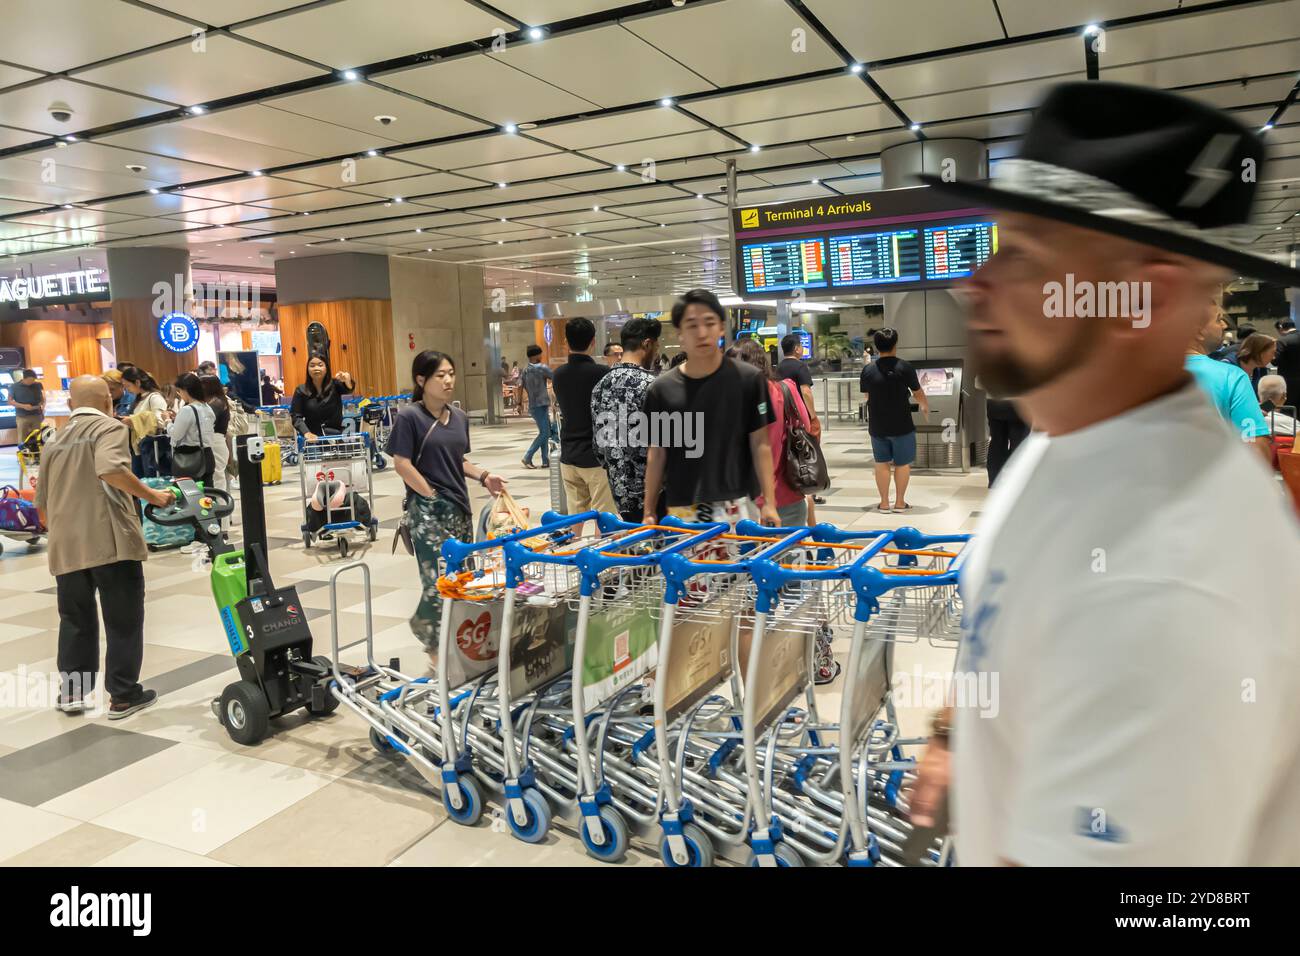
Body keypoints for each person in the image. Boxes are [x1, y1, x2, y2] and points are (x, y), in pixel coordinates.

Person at [907, 81, 1300, 865]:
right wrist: (959, 733)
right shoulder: (1074, 435)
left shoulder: (1164, 584)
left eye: (1022, 253)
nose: (976, 284)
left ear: (1137, 300)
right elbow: (1015, 610)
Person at [34, 376, 174, 718]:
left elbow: (41, 506)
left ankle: (73, 693)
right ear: (109, 402)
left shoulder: (56, 439)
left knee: (75, 619)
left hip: (66, 547)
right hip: (110, 543)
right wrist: (154, 496)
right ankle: (124, 695)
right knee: (123, 619)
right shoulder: (109, 428)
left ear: (71, 405)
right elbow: (110, 468)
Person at [387, 351, 505, 668]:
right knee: (438, 581)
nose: (449, 380)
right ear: (421, 380)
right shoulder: (409, 417)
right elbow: (401, 463)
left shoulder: (459, 418)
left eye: (451, 373)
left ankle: (452, 641)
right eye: (440, 375)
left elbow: (458, 460)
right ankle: (434, 649)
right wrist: (429, 494)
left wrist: (484, 476)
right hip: (426, 511)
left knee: (461, 579)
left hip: (459, 507)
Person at [641, 289, 778, 527]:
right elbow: (657, 452)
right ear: (680, 333)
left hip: (738, 503)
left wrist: (770, 503)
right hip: (683, 508)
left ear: (721, 328)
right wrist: (649, 510)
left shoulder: (748, 379)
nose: (702, 333)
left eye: (709, 323)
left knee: (740, 565)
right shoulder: (661, 390)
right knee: (688, 566)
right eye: (692, 325)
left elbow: (761, 444)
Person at [735, 339, 813, 527]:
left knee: (753, 554)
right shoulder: (785, 388)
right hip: (789, 491)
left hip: (748, 502)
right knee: (791, 551)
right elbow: (805, 427)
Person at [592, 317, 662, 521]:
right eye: (656, 346)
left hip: (621, 494)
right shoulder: (652, 386)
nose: (656, 352)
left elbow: (599, 447)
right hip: (655, 496)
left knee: (634, 547)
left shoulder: (600, 386)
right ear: (647, 344)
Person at [1186, 306, 1272, 462]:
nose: (1225, 325)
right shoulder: (1231, 376)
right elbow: (1255, 447)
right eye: (1219, 319)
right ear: (1198, 331)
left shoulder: (1137, 375)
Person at [552, 319, 618, 517]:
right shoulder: (602, 373)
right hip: (596, 457)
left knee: (575, 515)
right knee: (604, 517)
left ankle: (572, 547)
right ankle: (599, 549)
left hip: (568, 454)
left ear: (566, 341)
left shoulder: (559, 375)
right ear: (593, 342)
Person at [859, 327, 929, 513]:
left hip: (878, 424)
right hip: (902, 424)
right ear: (895, 345)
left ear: (876, 346)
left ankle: (883, 503)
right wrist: (924, 405)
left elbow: (867, 395)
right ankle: (899, 502)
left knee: (881, 463)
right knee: (902, 464)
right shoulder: (904, 367)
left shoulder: (868, 370)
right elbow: (917, 392)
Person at [165, 372, 217, 554]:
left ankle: (199, 537)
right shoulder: (207, 408)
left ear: (185, 390)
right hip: (207, 455)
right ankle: (212, 533)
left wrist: (167, 423)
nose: (180, 395)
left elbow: (175, 435)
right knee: (208, 495)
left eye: (179, 392)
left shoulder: (188, 410)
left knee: (193, 497)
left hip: (190, 457)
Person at [290, 352, 355, 440]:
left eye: (320, 365)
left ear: (326, 368)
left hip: (335, 436)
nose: (316, 368)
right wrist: (306, 433)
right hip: (313, 438)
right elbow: (296, 417)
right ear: (307, 369)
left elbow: (348, 389)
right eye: (312, 366)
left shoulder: (335, 385)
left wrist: (347, 380)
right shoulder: (301, 390)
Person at [120, 367, 168, 476]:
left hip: (153, 446)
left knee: (152, 478)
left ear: (137, 382)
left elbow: (160, 420)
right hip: (140, 446)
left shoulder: (154, 397)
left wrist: (134, 420)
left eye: (128, 386)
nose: (127, 389)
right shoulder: (138, 399)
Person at [776, 333, 822, 439]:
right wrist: (813, 416)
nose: (802, 348)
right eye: (801, 345)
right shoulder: (800, 366)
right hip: (800, 414)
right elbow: (806, 392)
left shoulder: (778, 367)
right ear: (797, 349)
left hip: (784, 413)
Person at [519, 344, 554, 469]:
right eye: (540, 353)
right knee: (545, 433)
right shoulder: (542, 367)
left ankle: (545, 460)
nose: (541, 356)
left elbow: (519, 386)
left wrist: (519, 403)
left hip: (533, 405)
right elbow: (555, 377)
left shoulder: (525, 370)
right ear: (537, 355)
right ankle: (527, 457)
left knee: (544, 431)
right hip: (542, 404)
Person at [985, 396, 1029, 486]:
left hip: (994, 402)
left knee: (997, 443)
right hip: (1018, 403)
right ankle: (1018, 481)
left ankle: (994, 481)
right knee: (1019, 445)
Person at [200, 374, 231, 498]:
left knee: (217, 478)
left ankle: (221, 512)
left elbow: (206, 420)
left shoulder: (217, 402)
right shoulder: (213, 402)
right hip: (212, 442)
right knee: (214, 478)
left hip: (216, 442)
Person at [10, 368, 44, 442]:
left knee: (38, 437)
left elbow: (42, 399)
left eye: (33, 380)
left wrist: (40, 404)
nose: (32, 382)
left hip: (36, 416)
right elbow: (10, 401)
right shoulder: (14, 387)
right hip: (22, 417)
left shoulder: (37, 385)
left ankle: (37, 453)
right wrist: (23, 406)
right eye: (30, 380)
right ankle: (23, 453)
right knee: (22, 438)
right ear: (24, 378)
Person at [1274, 319, 1300, 412]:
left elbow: (1275, 361)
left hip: (1288, 382)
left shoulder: (1282, 341)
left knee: (1289, 410)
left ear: (1281, 327)